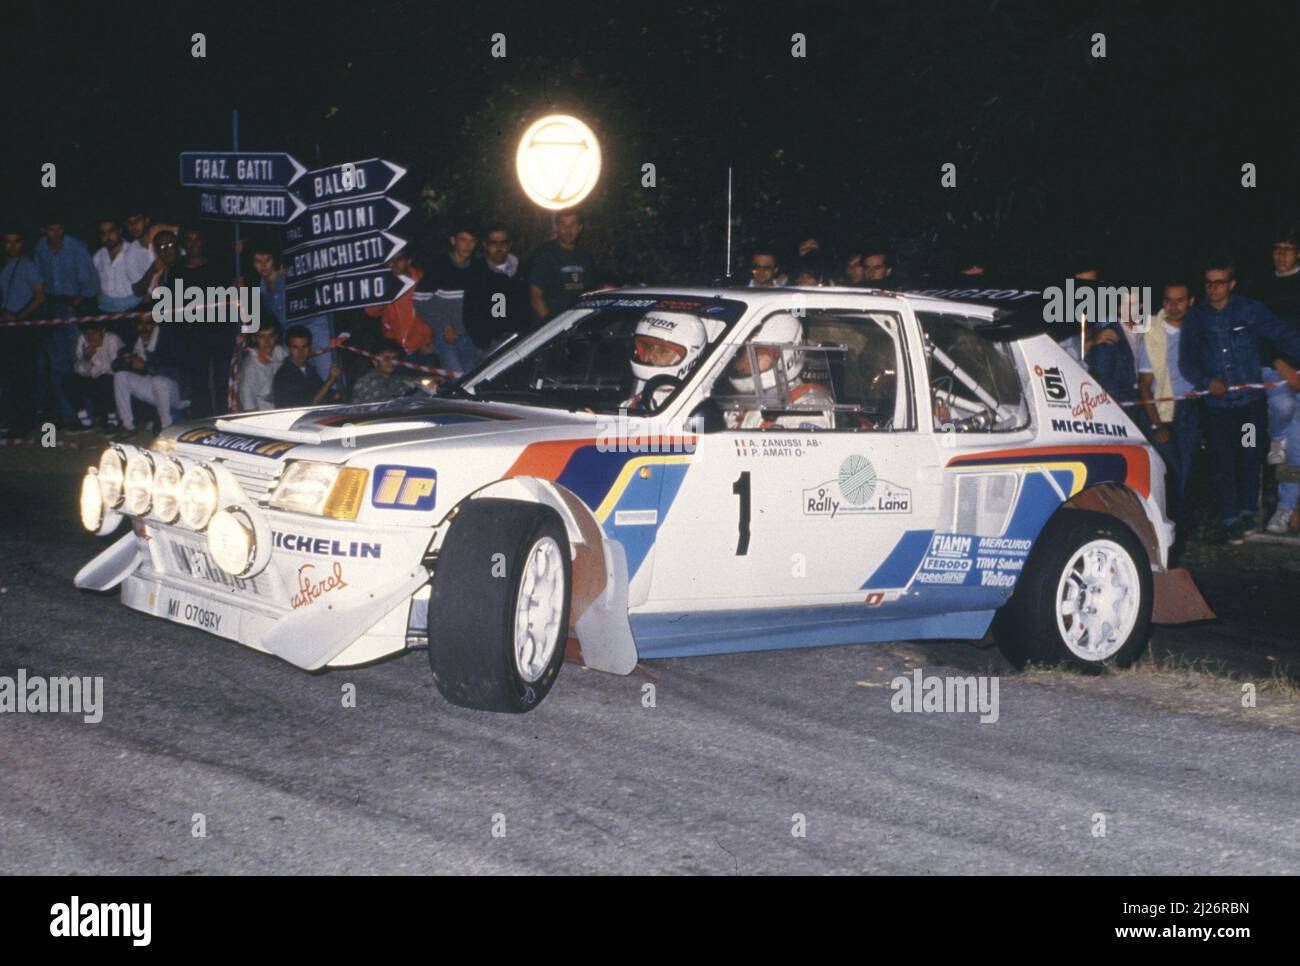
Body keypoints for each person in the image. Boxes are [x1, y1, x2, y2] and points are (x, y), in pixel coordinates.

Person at [1180, 257, 1300, 542]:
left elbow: (1281, 334)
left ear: (1231, 284)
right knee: (1223, 460)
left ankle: (1248, 512)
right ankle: (1230, 517)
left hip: (1249, 407)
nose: (1213, 288)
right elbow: (1187, 362)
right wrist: (1208, 382)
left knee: (1249, 455)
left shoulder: (1250, 310)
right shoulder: (1196, 318)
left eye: (1219, 282)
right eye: (1209, 282)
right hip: (1218, 409)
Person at [1136, 282, 1201, 519]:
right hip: (1160, 413)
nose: (1174, 306)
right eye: (1168, 300)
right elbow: (1143, 385)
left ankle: (1179, 524)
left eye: (1180, 300)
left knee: (1186, 472)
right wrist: (1157, 425)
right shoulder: (1152, 333)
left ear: (1191, 301)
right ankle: (1162, 522)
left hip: (1189, 410)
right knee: (1167, 472)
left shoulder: (1197, 330)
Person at [721, 313, 833, 430]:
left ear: (788, 356)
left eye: (758, 355)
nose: (745, 365)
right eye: (743, 356)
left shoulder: (809, 406)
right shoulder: (739, 404)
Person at [35, 221, 98, 428]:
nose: (57, 233)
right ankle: (67, 413)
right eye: (51, 228)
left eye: (60, 227)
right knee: (57, 364)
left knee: (79, 360)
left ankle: (88, 414)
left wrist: (75, 305)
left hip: (74, 306)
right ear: (43, 229)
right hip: (51, 309)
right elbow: (39, 282)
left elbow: (90, 283)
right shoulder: (40, 247)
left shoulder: (76, 247)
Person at [251, 242, 334, 384]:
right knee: (302, 382)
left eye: (267, 260)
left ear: (274, 260)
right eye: (258, 261)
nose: (263, 265)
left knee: (328, 377)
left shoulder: (288, 274)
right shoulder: (262, 288)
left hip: (315, 329)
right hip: (292, 336)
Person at [414, 225, 480, 373]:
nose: (467, 245)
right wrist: (444, 325)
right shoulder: (439, 266)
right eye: (463, 240)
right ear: (453, 240)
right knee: (456, 379)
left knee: (470, 380)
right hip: (447, 337)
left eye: (472, 241)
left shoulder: (478, 267)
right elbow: (420, 300)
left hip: (472, 337)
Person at [0, 230, 46, 436]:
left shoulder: (27, 265)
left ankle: (25, 421)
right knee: (7, 375)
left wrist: (19, 316)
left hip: (23, 327)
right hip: (5, 327)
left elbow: (39, 296)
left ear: (22, 243)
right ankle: (9, 419)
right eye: (7, 242)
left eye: (16, 242)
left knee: (25, 374)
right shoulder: (3, 266)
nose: (11, 246)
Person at [111, 317, 186, 439]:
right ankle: (128, 426)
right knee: (120, 376)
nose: (144, 327)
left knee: (158, 380)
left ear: (155, 323)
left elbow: (175, 369)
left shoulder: (167, 337)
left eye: (148, 323)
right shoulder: (136, 339)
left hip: (177, 393)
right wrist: (127, 360)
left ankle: (167, 427)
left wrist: (145, 365)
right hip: (154, 390)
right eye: (140, 323)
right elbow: (115, 365)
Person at [623, 311, 711, 411]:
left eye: (663, 351)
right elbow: (618, 423)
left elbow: (700, 426)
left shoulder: (696, 405)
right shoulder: (634, 401)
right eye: (650, 347)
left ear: (692, 355)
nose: (652, 356)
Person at [464, 223, 531, 353]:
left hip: (521, 339)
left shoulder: (522, 269)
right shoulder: (476, 271)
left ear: (510, 244)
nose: (499, 247)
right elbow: (470, 311)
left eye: (503, 242)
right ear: (485, 244)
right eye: (493, 242)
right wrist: (483, 342)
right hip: (491, 343)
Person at [364, 251, 433, 361]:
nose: (394, 263)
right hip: (396, 350)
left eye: (399, 259)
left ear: (408, 261)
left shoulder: (423, 281)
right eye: (390, 260)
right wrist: (387, 290)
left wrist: (429, 341)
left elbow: (434, 313)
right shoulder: (382, 285)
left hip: (422, 347)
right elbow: (371, 312)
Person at [528, 209, 595, 320]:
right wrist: (550, 325)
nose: (567, 230)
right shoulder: (545, 254)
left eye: (572, 224)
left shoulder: (585, 256)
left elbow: (590, 290)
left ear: (580, 228)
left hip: (575, 323)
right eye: (562, 224)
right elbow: (536, 297)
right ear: (557, 228)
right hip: (550, 327)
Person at [69, 321, 123, 431]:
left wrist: (96, 368)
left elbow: (115, 369)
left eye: (94, 332)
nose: (90, 336)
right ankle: (85, 421)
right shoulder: (82, 340)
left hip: (114, 381)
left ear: (103, 330)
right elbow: (80, 371)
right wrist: (87, 358)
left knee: (105, 379)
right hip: (95, 379)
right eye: (87, 333)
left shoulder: (112, 339)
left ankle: (112, 418)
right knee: (70, 380)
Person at [92, 218, 152, 315]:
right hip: (104, 309)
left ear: (119, 231)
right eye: (103, 233)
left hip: (132, 308)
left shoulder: (134, 252)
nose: (107, 236)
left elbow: (149, 282)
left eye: (111, 231)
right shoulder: (98, 256)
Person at [273, 324, 341, 408]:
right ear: (288, 348)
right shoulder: (284, 375)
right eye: (295, 347)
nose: (301, 353)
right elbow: (307, 406)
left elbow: (329, 395)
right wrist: (330, 380)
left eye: (304, 347)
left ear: (310, 347)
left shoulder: (308, 370)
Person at [237, 323, 287, 412]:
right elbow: (249, 409)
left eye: (271, 336)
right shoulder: (250, 370)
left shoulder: (279, 351)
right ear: (254, 338)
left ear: (276, 337)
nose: (267, 341)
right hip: (263, 414)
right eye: (262, 337)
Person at [351, 340, 421, 403]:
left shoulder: (400, 379)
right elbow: (385, 404)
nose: (391, 362)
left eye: (394, 358)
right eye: (386, 358)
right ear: (375, 362)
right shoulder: (366, 382)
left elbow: (416, 385)